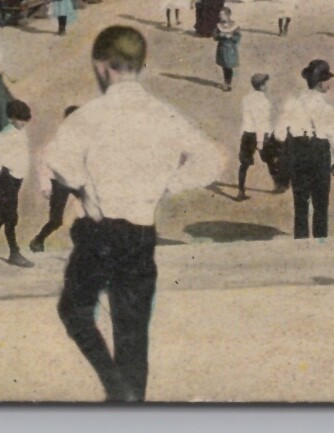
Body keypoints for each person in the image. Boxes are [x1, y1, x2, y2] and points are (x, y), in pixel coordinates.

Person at [44, 26, 224, 402]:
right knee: (133, 330)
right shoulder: (163, 114)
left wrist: (84, 186)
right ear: (142, 64)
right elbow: (211, 159)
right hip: (142, 231)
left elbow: (57, 160)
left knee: (74, 311)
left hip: (98, 230)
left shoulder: (90, 114)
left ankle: (115, 388)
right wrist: (168, 185)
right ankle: (132, 406)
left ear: (103, 66)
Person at [278, 59, 334, 240]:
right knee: (320, 203)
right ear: (320, 82)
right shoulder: (327, 108)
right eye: (327, 80)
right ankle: (320, 242)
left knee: (300, 202)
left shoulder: (292, 103)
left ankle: (300, 241)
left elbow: (279, 134)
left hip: (298, 151)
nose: (330, 84)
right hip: (319, 152)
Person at [0, 100, 35, 269]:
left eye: (25, 119)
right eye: (19, 119)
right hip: (5, 180)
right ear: (11, 118)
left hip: (15, 180)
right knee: (6, 217)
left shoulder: (21, 132)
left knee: (6, 217)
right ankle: (9, 253)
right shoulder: (5, 135)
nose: (22, 123)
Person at [29, 105, 82, 253]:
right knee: (56, 220)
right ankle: (38, 240)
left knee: (93, 210)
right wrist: (45, 186)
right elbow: (44, 162)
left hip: (77, 181)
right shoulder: (59, 140)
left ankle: (86, 244)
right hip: (60, 182)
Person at [236, 72, 274, 201]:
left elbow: (246, 117)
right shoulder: (263, 101)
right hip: (259, 134)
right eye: (265, 83)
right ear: (262, 86)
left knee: (244, 164)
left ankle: (240, 191)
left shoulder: (246, 98)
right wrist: (260, 141)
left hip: (247, 133)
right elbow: (260, 122)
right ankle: (278, 184)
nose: (267, 86)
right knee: (270, 159)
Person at [212, 9, 241, 89]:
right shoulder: (218, 25)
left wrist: (231, 36)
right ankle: (226, 82)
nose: (220, 16)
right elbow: (214, 36)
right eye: (220, 15)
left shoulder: (234, 25)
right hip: (222, 49)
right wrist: (220, 35)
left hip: (230, 49)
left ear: (227, 15)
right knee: (224, 66)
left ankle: (228, 84)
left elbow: (237, 38)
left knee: (228, 66)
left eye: (222, 15)